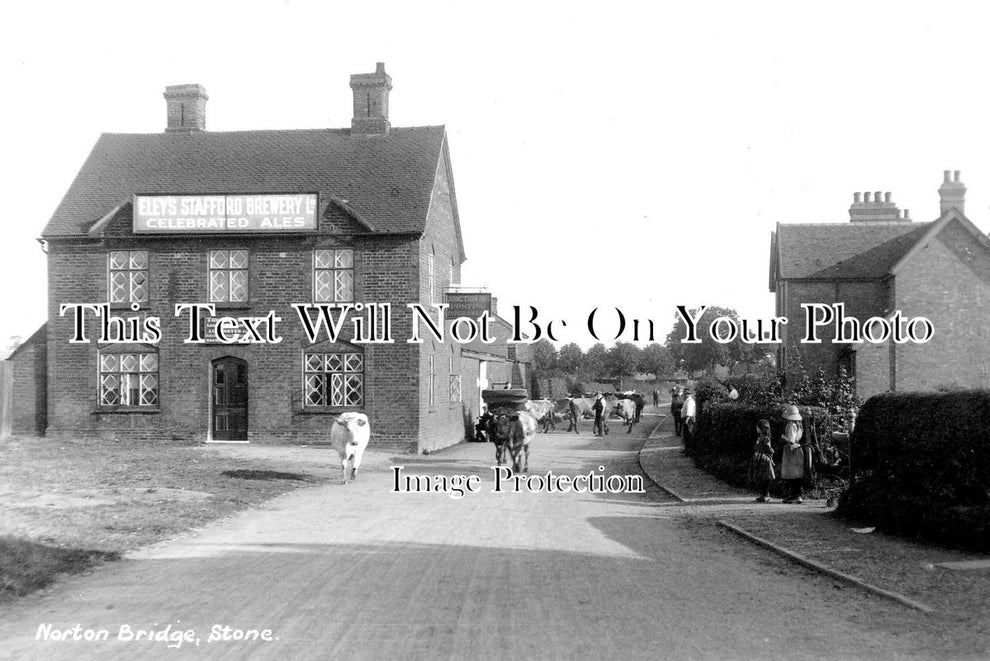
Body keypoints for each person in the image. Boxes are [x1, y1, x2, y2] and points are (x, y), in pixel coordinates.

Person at [779, 405, 808, 504]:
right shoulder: (799, 425)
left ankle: (793, 496)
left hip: (791, 450)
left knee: (791, 474)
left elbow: (791, 440)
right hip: (798, 449)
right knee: (797, 474)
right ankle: (797, 495)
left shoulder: (791, 425)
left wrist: (784, 437)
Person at [750, 419, 775, 502]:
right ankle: (763, 494)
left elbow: (769, 449)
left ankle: (766, 494)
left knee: (766, 477)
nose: (756, 429)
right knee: (761, 477)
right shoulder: (760, 437)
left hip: (764, 459)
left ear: (761, 428)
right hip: (760, 459)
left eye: (758, 427)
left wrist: (767, 455)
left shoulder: (765, 438)